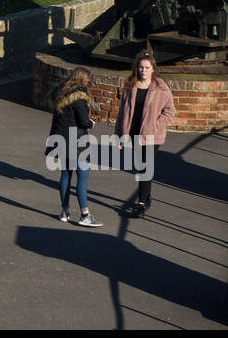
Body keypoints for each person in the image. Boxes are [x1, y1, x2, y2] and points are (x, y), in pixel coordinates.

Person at [114, 50, 175, 218]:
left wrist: (155, 126)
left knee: (144, 168)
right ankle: (146, 198)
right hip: (134, 134)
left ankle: (141, 204)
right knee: (141, 167)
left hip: (151, 136)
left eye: (147, 68)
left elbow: (170, 112)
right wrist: (119, 134)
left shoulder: (160, 87)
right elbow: (122, 112)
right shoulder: (130, 84)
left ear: (153, 69)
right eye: (141, 67)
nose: (143, 71)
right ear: (137, 68)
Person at [47, 67, 103, 226]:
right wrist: (91, 123)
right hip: (77, 140)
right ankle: (85, 214)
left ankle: (64, 211)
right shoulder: (79, 98)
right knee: (83, 177)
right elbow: (83, 121)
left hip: (61, 138)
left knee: (66, 175)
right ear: (84, 80)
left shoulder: (60, 91)